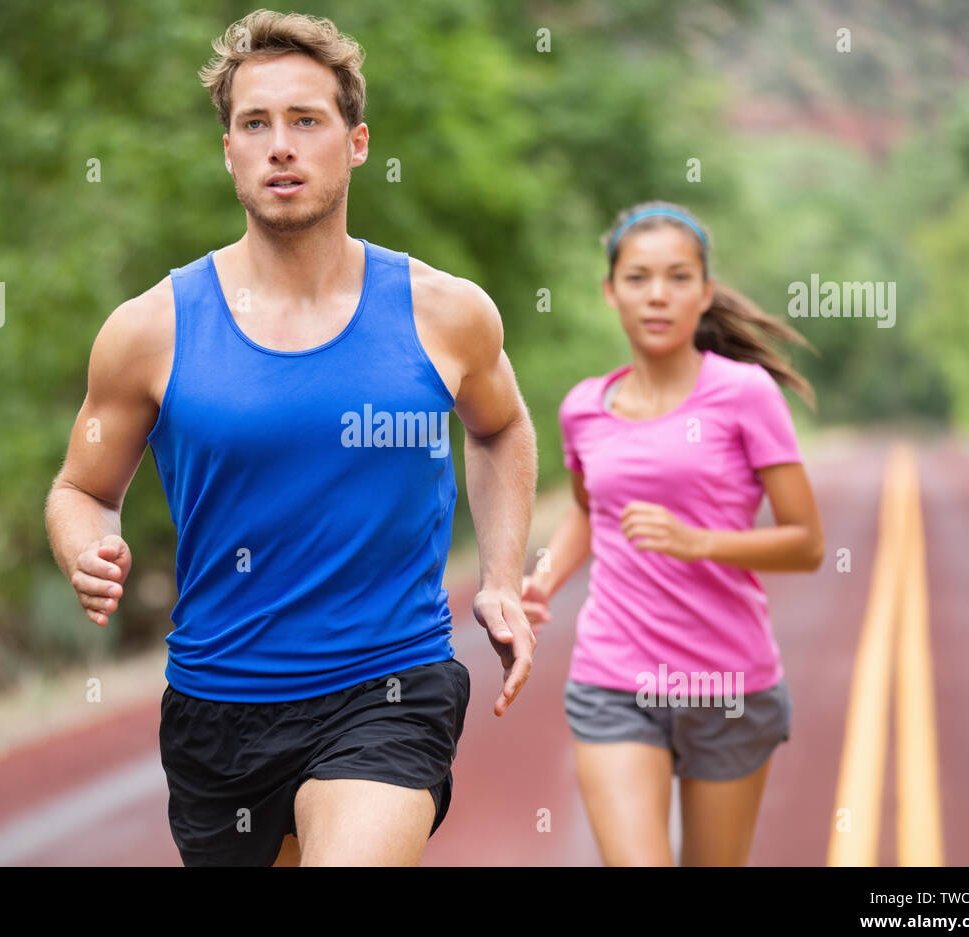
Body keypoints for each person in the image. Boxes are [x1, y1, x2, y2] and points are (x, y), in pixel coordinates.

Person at [43, 9, 537, 867]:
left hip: (391, 687)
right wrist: (86, 546)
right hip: (218, 709)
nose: (280, 145)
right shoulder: (148, 330)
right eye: (254, 123)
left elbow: (500, 428)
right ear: (227, 150)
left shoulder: (446, 313)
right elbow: (81, 488)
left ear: (355, 142)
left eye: (306, 120)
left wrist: (499, 577)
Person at [520, 201, 824, 866]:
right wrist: (544, 579)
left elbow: (806, 542)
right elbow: (590, 511)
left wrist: (699, 542)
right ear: (610, 291)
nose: (657, 295)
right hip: (615, 679)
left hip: (728, 685)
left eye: (679, 277)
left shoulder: (745, 394)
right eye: (637, 278)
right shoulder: (584, 407)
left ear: (705, 291)